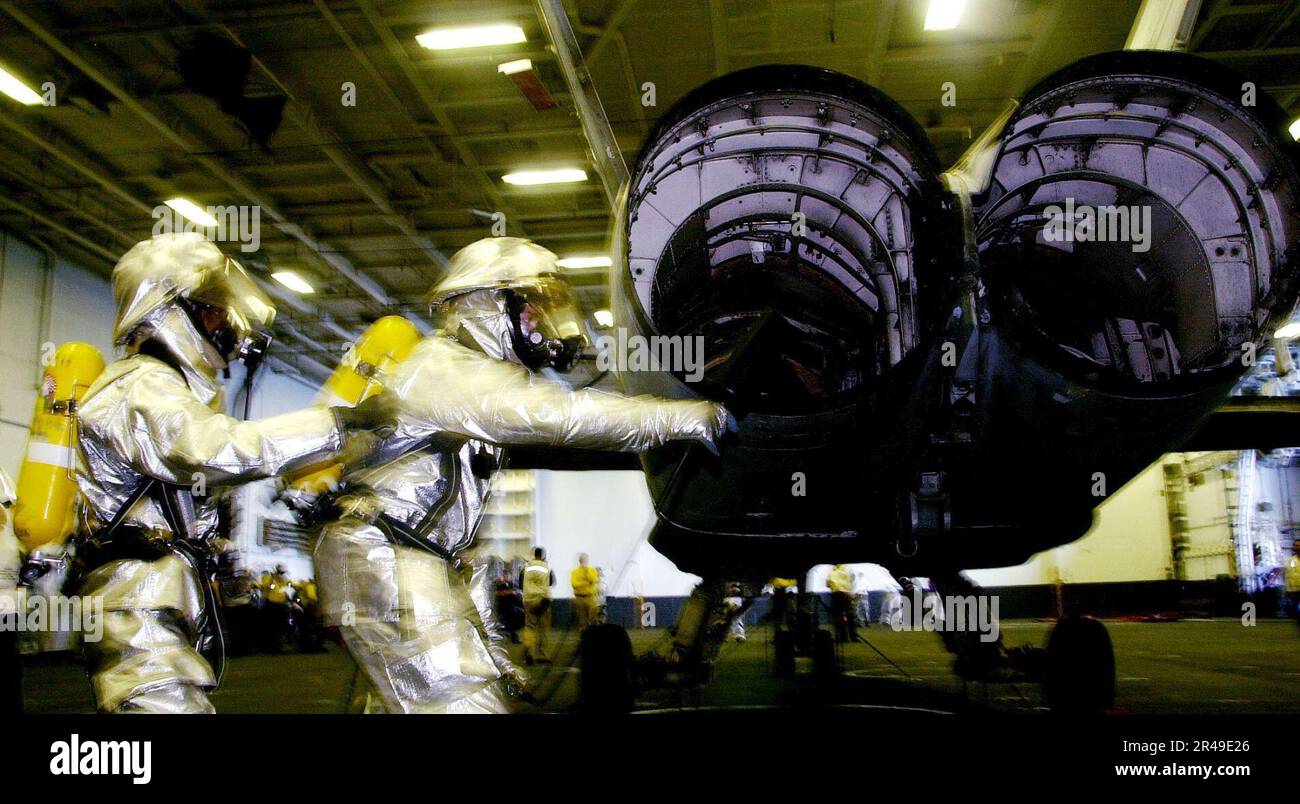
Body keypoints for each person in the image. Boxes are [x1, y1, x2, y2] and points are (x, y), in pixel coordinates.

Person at [311, 237, 732, 713]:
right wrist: (682, 418)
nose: (540, 320)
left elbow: (465, 558)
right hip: (384, 556)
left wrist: (494, 657)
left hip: (398, 557)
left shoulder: (474, 397)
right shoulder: (449, 370)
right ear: (489, 303)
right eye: (530, 306)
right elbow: (562, 417)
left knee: (413, 698)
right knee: (458, 700)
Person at [68, 233, 394, 714]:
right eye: (213, 309)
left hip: (160, 595)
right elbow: (209, 449)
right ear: (166, 310)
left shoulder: (168, 391)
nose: (227, 323)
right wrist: (337, 424)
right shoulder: (139, 386)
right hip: (137, 599)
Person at [521, 547, 555, 665]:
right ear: (543, 556)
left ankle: (529, 652)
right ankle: (543, 655)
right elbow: (552, 582)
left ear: (534, 555)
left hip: (528, 600)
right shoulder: (546, 567)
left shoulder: (526, 567)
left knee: (529, 627)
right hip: (542, 600)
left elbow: (521, 583)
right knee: (543, 629)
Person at [570, 552, 600, 632]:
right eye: (583, 559)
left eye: (586, 559)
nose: (584, 561)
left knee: (592, 618)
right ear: (580, 560)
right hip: (579, 597)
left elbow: (593, 581)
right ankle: (583, 637)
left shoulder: (592, 570)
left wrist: (586, 571)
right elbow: (574, 584)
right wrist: (586, 583)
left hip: (590, 597)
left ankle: (593, 634)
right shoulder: (575, 572)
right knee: (582, 619)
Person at [827, 564, 856, 643]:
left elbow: (828, 584)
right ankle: (853, 636)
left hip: (836, 595)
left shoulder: (832, 573)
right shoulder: (845, 572)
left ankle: (843, 637)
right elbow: (850, 583)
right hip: (846, 594)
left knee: (838, 617)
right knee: (850, 616)